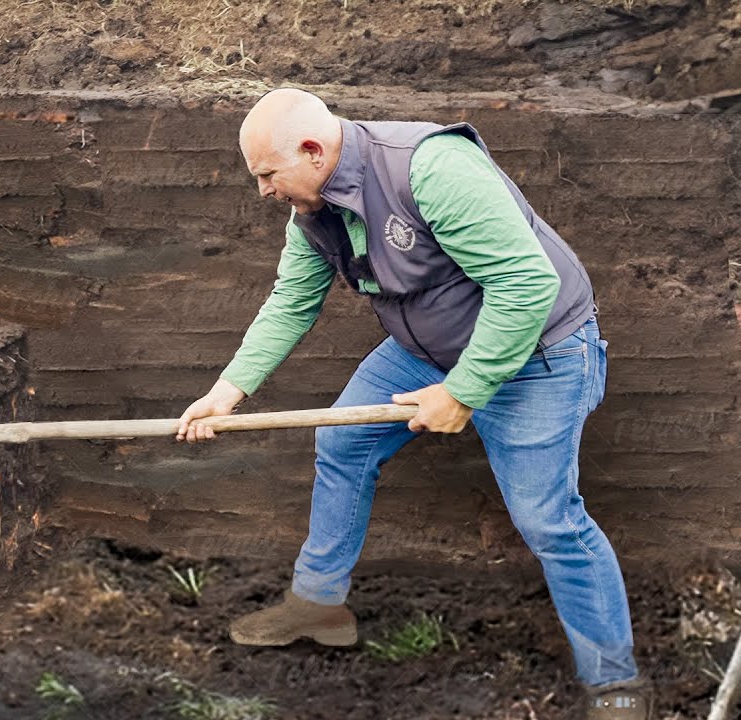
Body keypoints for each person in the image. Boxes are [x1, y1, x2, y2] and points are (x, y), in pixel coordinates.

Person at [176, 88, 650, 719]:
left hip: (538, 353)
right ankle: (319, 604)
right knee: (342, 440)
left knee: (548, 520)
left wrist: (464, 392)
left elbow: (526, 283)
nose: (263, 190)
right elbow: (293, 298)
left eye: (267, 174)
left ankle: (614, 681)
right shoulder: (313, 207)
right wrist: (226, 393)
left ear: (313, 151)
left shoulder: (428, 167)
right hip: (428, 349)